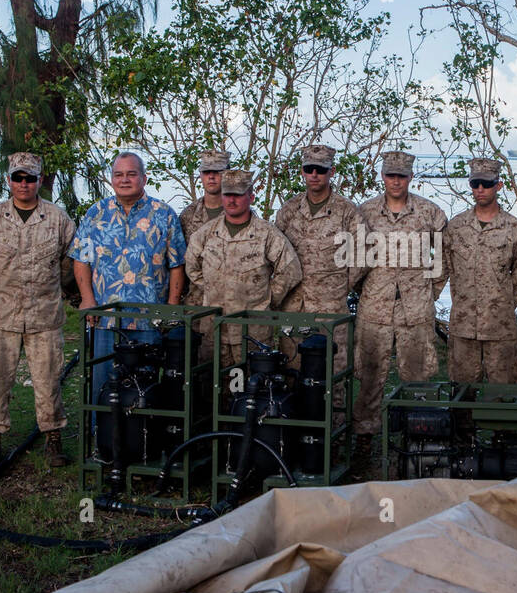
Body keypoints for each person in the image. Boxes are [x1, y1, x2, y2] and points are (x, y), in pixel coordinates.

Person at [0, 152, 76, 472]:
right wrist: (5, 286)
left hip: (45, 314)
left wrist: (48, 287)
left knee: (48, 380)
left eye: (30, 178)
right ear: (8, 180)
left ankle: (53, 439)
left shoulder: (58, 219)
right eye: (18, 177)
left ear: (40, 180)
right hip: (2, 314)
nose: (24, 183)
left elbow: (69, 264)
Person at [70, 151, 188, 418]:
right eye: (118, 174)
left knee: (146, 388)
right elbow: (81, 261)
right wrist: (88, 300)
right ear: (111, 179)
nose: (125, 180)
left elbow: (177, 265)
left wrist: (171, 308)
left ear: (144, 178)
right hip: (106, 321)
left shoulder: (164, 214)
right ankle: (101, 444)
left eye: (131, 174)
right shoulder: (96, 213)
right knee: (103, 385)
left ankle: (143, 445)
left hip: (149, 321)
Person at [351, 151, 448, 460]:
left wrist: (429, 292)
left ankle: (416, 438)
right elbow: (354, 259)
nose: (396, 180)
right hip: (375, 307)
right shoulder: (364, 213)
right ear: (382, 176)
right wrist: (365, 289)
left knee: (417, 374)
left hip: (415, 308)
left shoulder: (430, 213)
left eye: (402, 176)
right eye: (391, 175)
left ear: (410, 177)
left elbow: (444, 258)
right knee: (369, 375)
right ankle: (365, 438)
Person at [184, 169, 302, 369]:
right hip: (214, 328)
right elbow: (192, 267)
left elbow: (291, 270)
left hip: (252, 331)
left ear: (251, 196)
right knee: (211, 388)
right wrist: (213, 288)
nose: (232, 200)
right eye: (227, 194)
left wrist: (267, 298)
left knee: (252, 390)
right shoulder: (206, 234)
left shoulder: (266, 233)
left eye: (238, 195)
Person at [274, 144, 359, 400]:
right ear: (302, 172)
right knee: (292, 372)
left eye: (320, 170)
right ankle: (293, 436)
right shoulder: (288, 211)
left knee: (333, 376)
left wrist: (340, 288)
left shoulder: (347, 211)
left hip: (330, 309)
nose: (314, 175)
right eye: (309, 169)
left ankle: (332, 436)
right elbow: (276, 254)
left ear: (331, 172)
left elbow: (361, 257)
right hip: (293, 308)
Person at [443, 156, 517, 384]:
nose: (480, 189)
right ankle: (462, 422)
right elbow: (445, 268)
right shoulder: (455, 227)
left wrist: (501, 306)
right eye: (475, 184)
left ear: (499, 186)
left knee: (502, 394)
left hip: (500, 327)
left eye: (487, 184)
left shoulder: (515, 229)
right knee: (462, 393)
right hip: (463, 325)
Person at [179, 149, 229, 310]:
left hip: (230, 306)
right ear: (201, 175)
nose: (211, 176)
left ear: (227, 174)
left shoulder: (241, 215)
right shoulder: (188, 215)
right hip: (194, 305)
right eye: (207, 172)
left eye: (217, 171)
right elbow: (179, 261)